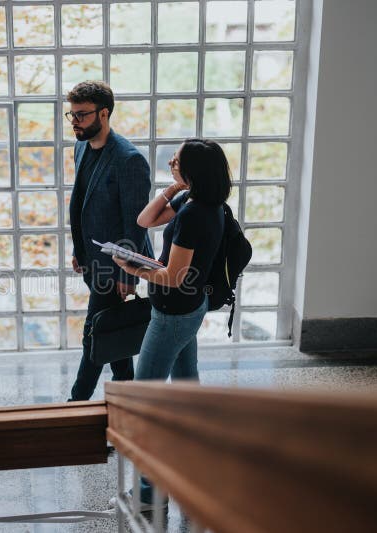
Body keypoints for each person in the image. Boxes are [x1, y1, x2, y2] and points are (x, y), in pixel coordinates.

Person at [112, 138, 231, 510]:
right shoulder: (195, 202)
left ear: (193, 169)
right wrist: (174, 187)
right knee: (185, 388)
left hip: (174, 314)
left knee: (146, 398)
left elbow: (175, 276)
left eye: (177, 162)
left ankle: (150, 492)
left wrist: (133, 268)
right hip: (189, 309)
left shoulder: (197, 215)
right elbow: (144, 220)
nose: (170, 163)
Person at [66, 80, 153, 401]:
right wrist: (79, 249)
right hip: (92, 260)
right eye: (72, 115)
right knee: (112, 331)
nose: (75, 122)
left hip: (116, 267)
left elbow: (136, 224)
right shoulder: (80, 147)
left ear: (104, 113)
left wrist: (127, 274)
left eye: (82, 115)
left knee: (94, 335)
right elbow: (81, 204)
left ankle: (75, 404)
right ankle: (128, 395)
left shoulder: (129, 160)